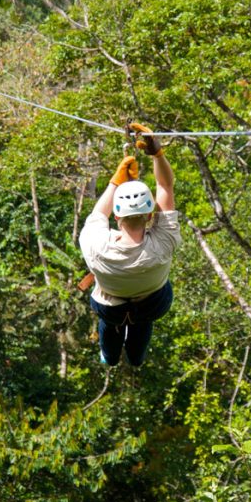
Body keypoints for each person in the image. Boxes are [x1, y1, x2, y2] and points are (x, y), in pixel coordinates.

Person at [79, 123, 180, 367]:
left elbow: (97, 214)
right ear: (149, 216)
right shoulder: (164, 243)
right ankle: (136, 359)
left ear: (116, 216)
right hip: (152, 305)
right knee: (143, 322)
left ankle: (111, 358)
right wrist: (157, 154)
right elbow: (166, 187)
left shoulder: (97, 245)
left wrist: (116, 181)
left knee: (110, 320)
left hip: (110, 308)